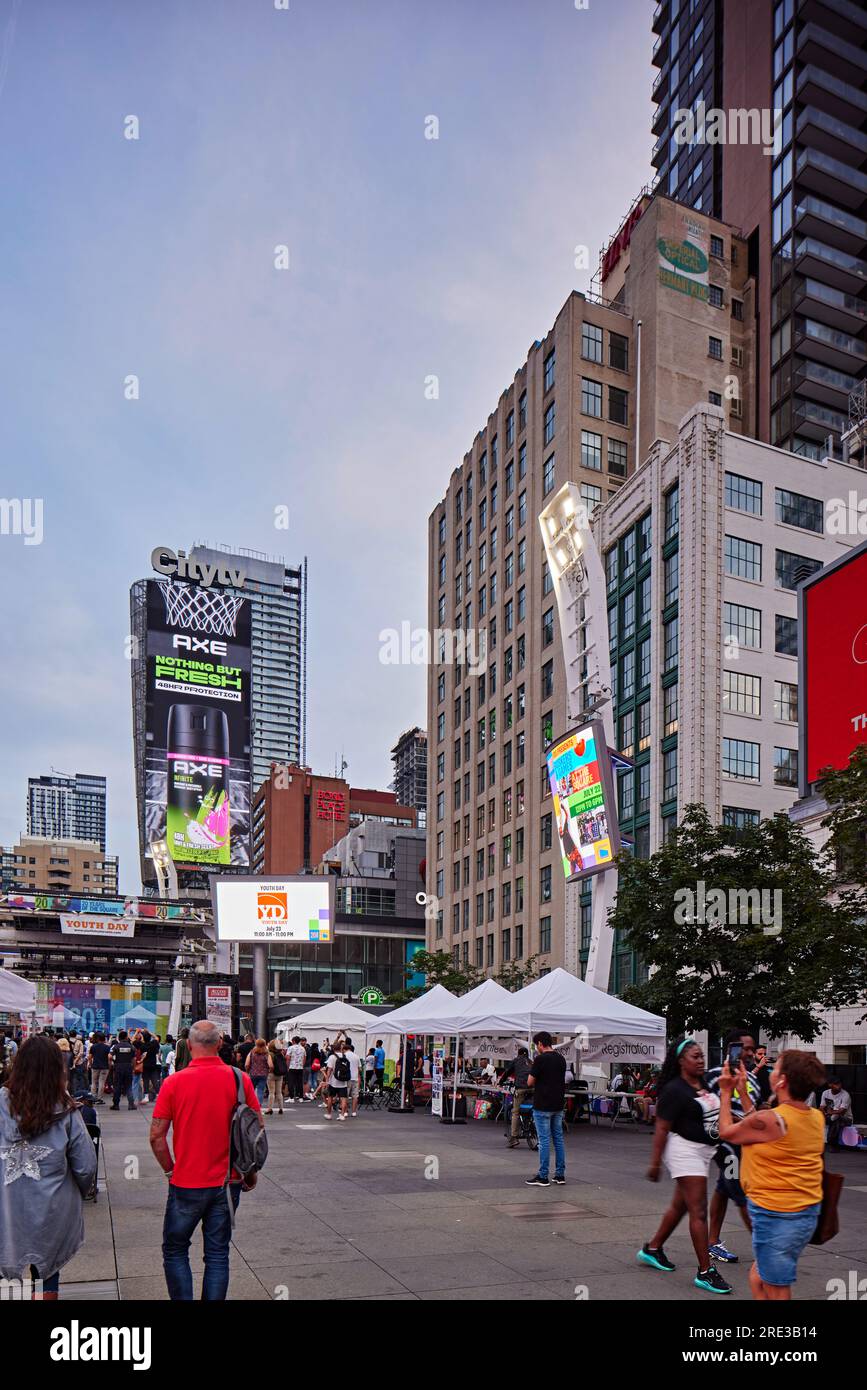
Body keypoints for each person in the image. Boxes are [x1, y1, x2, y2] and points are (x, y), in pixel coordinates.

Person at [149, 1019, 263, 1301]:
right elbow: (256, 1131)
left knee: (175, 1249)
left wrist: (169, 1171)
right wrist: (249, 1174)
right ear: (220, 1044)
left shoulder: (173, 1082)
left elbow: (156, 1136)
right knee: (217, 1254)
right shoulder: (240, 1079)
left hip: (185, 1182)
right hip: (228, 1181)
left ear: (188, 1045)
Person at [718, 1050, 826, 1301]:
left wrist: (725, 1092)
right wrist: (743, 1093)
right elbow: (765, 1124)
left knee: (776, 1288)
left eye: (775, 1068)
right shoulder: (814, 1116)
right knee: (759, 1278)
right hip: (801, 1213)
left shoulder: (773, 1120)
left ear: (782, 1081)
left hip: (777, 1216)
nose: (770, 1070)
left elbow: (726, 1131)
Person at [0, 1035, 97, 1299]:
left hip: (5, 1206)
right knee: (46, 1274)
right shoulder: (66, 1109)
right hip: (51, 1206)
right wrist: (80, 1191)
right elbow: (86, 1165)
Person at [638, 1038, 731, 1295]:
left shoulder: (702, 1083)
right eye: (695, 1056)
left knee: (680, 1207)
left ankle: (653, 1248)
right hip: (684, 1151)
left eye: (702, 1056)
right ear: (681, 1061)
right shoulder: (673, 1090)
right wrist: (655, 1163)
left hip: (704, 1151)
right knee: (699, 1211)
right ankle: (706, 1271)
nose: (701, 1060)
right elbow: (661, 1128)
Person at [705, 1030, 764, 1265]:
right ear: (731, 1048)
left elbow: (755, 1110)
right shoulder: (714, 1076)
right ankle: (765, 1249)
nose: (750, 1053)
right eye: (746, 1049)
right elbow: (707, 1110)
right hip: (724, 1146)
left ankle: (712, 1242)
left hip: (744, 1146)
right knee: (741, 1193)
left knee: (723, 1188)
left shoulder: (753, 1079)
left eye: (751, 1049)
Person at [525, 1033, 567, 1188]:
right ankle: (560, 1174)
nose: (537, 1048)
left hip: (542, 1104)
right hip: (558, 1104)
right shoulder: (561, 1059)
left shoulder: (540, 1059)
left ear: (541, 1044)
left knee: (543, 1141)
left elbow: (530, 1082)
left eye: (537, 1045)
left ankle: (543, 1176)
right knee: (558, 1139)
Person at [500, 1047, 533, 1149]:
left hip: (521, 1088)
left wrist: (500, 1082)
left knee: (515, 1112)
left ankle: (513, 1138)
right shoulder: (531, 1062)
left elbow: (507, 1072)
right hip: (533, 1088)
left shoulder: (516, 1061)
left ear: (518, 1054)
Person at [820, 1079, 853, 1150]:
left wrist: (830, 1113)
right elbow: (822, 1106)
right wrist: (824, 1113)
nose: (839, 1086)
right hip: (829, 1116)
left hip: (845, 1118)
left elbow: (842, 1111)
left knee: (836, 1118)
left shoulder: (845, 1095)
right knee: (817, 1116)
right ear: (830, 1085)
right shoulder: (825, 1093)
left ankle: (832, 1142)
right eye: (836, 1084)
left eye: (839, 1084)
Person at [109, 1029, 137, 1111]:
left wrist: (112, 1064)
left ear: (119, 1038)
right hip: (128, 1067)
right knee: (128, 1086)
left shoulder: (115, 1046)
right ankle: (131, 1104)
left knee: (117, 1086)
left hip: (118, 1067)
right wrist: (134, 1068)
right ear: (126, 1037)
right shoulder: (131, 1047)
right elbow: (134, 1059)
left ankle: (116, 1104)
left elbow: (110, 1056)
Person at [324, 1040, 351, 1120]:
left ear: (333, 1049)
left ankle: (329, 1114)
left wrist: (327, 1081)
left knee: (330, 1097)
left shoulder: (332, 1057)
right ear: (340, 1048)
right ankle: (342, 1115)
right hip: (343, 1082)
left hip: (333, 1082)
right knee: (343, 1099)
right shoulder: (345, 1056)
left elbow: (329, 1070)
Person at [245, 1038, 272, 1104]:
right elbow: (271, 1065)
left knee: (251, 1090)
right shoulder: (266, 1054)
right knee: (260, 1090)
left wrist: (247, 1071)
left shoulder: (251, 1053)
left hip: (253, 1074)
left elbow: (247, 1064)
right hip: (263, 1074)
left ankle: (249, 1104)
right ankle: (259, 1105)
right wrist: (268, 1071)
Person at [138, 1029, 161, 1103]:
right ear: (150, 1037)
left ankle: (146, 1096)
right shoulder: (153, 1044)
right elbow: (156, 1038)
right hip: (153, 1065)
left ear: (143, 1038)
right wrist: (149, 1032)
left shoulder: (142, 1045)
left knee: (145, 1081)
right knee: (155, 1081)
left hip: (145, 1065)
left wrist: (139, 1033)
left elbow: (133, 1041)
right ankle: (158, 1095)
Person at [88, 1032, 111, 1105]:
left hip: (95, 1066)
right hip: (104, 1067)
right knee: (102, 1082)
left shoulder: (93, 1046)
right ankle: (99, 1098)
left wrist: (91, 1064)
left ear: (97, 1038)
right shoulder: (107, 1047)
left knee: (94, 1082)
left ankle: (93, 1097)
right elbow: (109, 1058)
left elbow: (90, 1057)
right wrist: (109, 1066)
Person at [266, 1039, 287, 1115]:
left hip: (271, 1074)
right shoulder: (280, 1054)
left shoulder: (269, 1054)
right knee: (279, 1092)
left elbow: (270, 1065)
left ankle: (270, 1109)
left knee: (271, 1092)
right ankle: (281, 1108)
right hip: (280, 1074)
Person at [285, 1036, 306, 1104]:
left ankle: (291, 1097)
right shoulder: (303, 1048)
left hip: (292, 1067)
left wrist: (287, 1067)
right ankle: (300, 1098)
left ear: (293, 1041)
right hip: (300, 1068)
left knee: (291, 1082)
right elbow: (304, 1058)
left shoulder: (290, 1048)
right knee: (300, 1082)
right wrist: (302, 1065)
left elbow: (288, 1058)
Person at [344, 1039, 361, 1117]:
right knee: (355, 1096)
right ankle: (354, 1112)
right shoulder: (357, 1056)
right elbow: (360, 1069)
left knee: (345, 1096)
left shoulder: (344, 1056)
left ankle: (345, 1111)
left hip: (346, 1078)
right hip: (355, 1078)